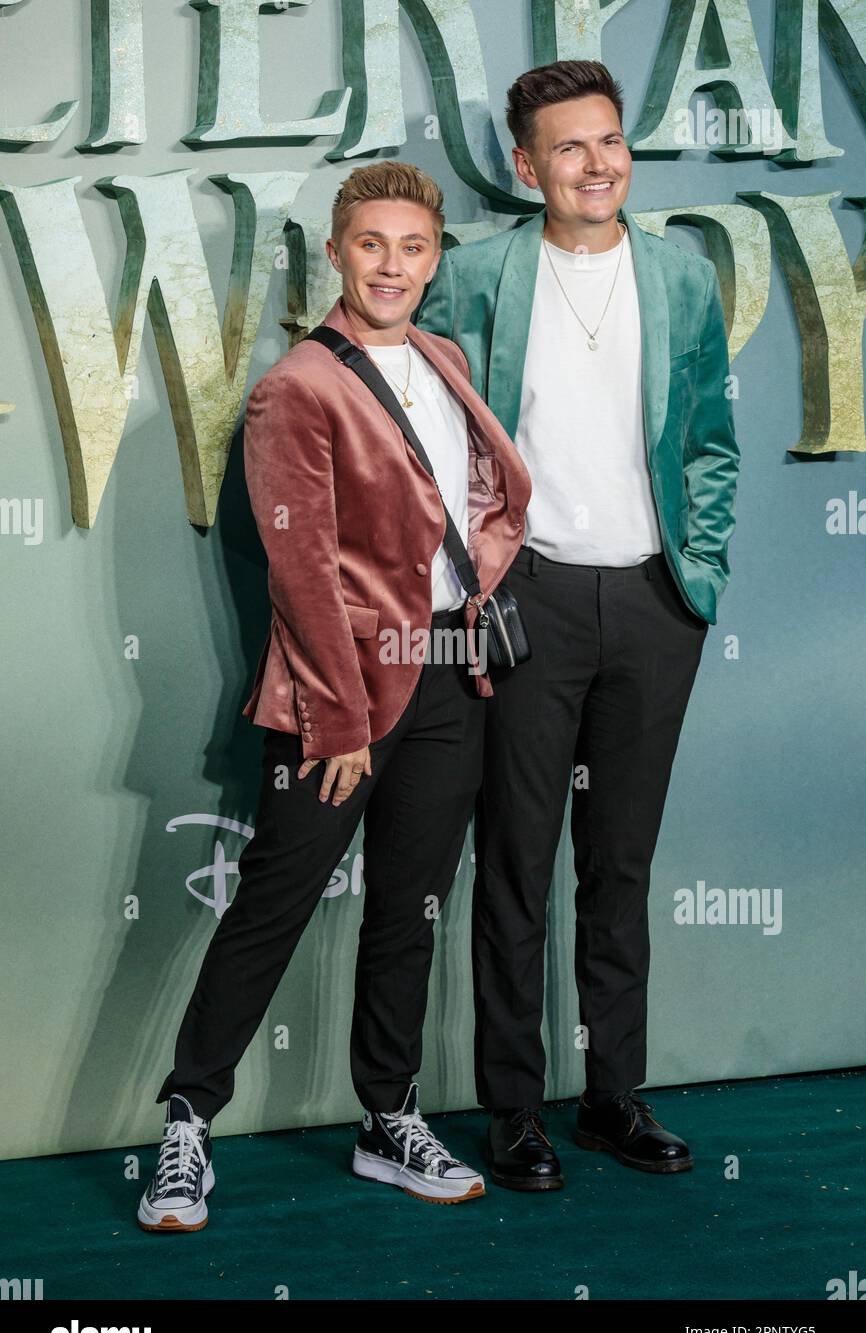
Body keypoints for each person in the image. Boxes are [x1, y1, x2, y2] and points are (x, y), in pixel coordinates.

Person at [138, 161, 531, 1230]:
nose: (392, 265)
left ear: (434, 254)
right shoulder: (294, 388)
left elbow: (475, 505)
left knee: (407, 910)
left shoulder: (444, 360)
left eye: (412, 246)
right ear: (336, 253)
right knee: (271, 904)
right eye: (371, 245)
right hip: (342, 694)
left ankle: (386, 1116)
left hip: (450, 679)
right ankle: (185, 1126)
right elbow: (298, 570)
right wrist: (342, 715)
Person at [415, 59, 740, 1188]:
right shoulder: (475, 277)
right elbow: (433, 441)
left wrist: (697, 573)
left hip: (652, 603)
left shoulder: (681, 277)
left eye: (608, 141)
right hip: (526, 600)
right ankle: (513, 1109)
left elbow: (705, 439)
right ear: (523, 167)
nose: (596, 163)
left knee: (620, 866)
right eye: (568, 147)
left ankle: (613, 1096)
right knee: (513, 866)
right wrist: (470, 585)